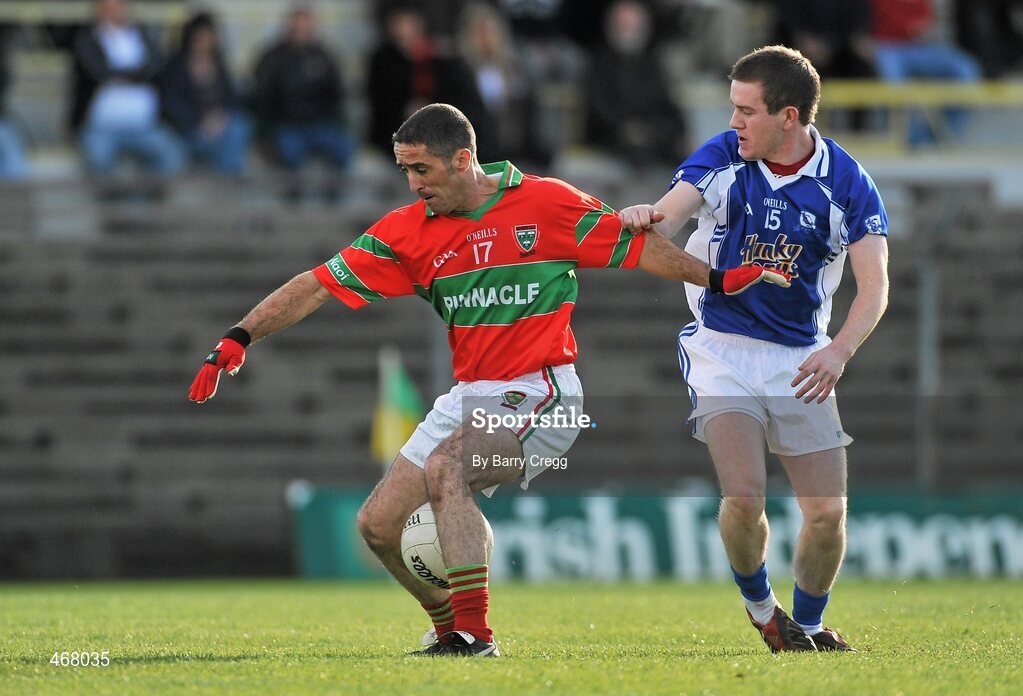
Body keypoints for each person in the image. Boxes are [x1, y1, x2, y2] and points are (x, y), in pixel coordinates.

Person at [189, 103, 786, 657]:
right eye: (405, 170)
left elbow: (640, 247)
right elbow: (318, 282)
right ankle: (448, 625)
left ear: (463, 160)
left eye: (422, 168)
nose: (414, 182)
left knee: (451, 469)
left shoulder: (546, 203)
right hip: (469, 395)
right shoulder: (407, 230)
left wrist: (717, 280)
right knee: (376, 527)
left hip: (544, 391)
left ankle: (475, 634)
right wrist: (238, 338)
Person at [620, 46, 889, 652]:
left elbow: (876, 288)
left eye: (746, 111)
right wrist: (648, 216)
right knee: (744, 499)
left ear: (788, 116)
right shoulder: (723, 156)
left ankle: (811, 627)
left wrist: (840, 351)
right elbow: (668, 214)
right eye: (732, 108)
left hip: (800, 359)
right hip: (722, 349)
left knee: (826, 516)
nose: (734, 122)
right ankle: (763, 610)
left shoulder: (848, 184)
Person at [70, 0, 185, 177]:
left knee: (172, 156)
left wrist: (121, 76)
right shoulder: (87, 39)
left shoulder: (140, 35)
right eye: (106, 6)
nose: (112, 11)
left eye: (117, 5)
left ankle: (144, 202)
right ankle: (112, 204)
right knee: (99, 159)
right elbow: (98, 71)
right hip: (102, 127)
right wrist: (136, 74)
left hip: (144, 126)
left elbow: (157, 65)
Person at [365, 3, 486, 157]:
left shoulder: (447, 62)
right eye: (399, 22)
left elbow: (469, 109)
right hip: (394, 145)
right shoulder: (383, 61)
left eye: (409, 22)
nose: (404, 29)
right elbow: (381, 109)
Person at [584, 0, 688, 168]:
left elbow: (667, 105)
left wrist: (675, 132)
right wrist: (626, 129)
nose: (630, 33)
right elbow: (599, 110)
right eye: (624, 27)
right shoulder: (600, 64)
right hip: (613, 135)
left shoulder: (652, 64)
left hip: (652, 133)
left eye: (635, 27)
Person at [252, 4, 354, 175]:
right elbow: (263, 96)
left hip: (320, 123)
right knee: (290, 151)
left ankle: (332, 196)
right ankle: (292, 197)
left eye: (305, 25)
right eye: (297, 25)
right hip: (287, 125)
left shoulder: (324, 56)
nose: (301, 30)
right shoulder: (273, 57)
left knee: (344, 149)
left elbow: (336, 94)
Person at [869, 0, 981, 145]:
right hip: (888, 47)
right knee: (894, 84)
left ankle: (941, 136)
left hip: (921, 47)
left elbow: (927, 24)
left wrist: (926, 29)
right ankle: (904, 138)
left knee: (966, 69)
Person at [161, 12, 252, 176]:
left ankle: (226, 178)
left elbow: (232, 98)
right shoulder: (177, 66)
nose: (206, 41)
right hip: (188, 130)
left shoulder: (219, 63)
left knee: (240, 126)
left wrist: (220, 118)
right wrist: (200, 121)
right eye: (202, 36)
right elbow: (170, 104)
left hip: (219, 127)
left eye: (210, 36)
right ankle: (225, 176)